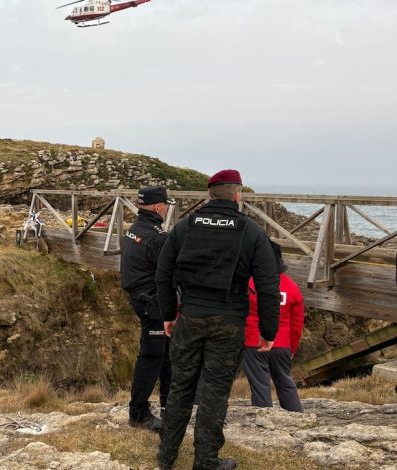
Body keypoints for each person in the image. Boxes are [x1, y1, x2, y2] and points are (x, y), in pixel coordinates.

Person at [155, 169, 281, 470]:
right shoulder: (250, 231)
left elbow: (164, 275)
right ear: (237, 196)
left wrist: (169, 315)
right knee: (214, 392)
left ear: (209, 194)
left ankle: (166, 459)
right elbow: (268, 286)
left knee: (180, 388)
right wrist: (268, 330)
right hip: (228, 323)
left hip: (190, 317)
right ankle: (206, 462)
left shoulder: (185, 226)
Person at [120, 185, 175, 432]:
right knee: (152, 355)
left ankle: (168, 405)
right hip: (152, 302)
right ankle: (139, 412)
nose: (166, 210)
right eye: (166, 205)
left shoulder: (135, 230)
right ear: (158, 206)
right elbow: (173, 271)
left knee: (165, 352)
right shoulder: (156, 237)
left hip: (140, 297)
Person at [244, 241, 305, 412]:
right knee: (286, 383)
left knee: (260, 385)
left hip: (254, 341)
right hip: (283, 343)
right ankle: (297, 416)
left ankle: (264, 420)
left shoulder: (249, 284)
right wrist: (292, 347)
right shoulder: (292, 287)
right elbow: (297, 323)